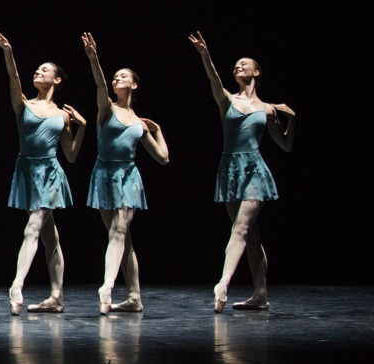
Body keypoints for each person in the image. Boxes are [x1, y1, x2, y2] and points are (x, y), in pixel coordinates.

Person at [189, 31, 294, 312]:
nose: (238, 66)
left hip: (255, 170)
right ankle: (261, 295)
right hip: (230, 169)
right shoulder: (227, 100)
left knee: (241, 227)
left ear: (256, 72)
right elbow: (213, 79)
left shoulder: (268, 109)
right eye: (236, 65)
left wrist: (291, 120)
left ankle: (223, 284)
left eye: (244, 64)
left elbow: (285, 145)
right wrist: (205, 55)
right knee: (250, 234)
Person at [0, 31, 86, 314]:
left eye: (45, 70)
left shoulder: (63, 114)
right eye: (37, 69)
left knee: (34, 226)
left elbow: (71, 155)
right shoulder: (24, 104)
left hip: (51, 173)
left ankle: (17, 285)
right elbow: (13, 78)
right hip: (27, 171)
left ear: (57, 80)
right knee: (50, 237)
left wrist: (83, 127)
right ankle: (57, 297)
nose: (38, 71)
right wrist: (8, 51)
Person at [82, 33, 170, 314]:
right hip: (103, 175)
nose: (116, 78)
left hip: (128, 178)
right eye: (115, 76)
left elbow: (163, 158)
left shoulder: (139, 123)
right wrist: (93, 57)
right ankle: (134, 297)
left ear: (134, 84)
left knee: (119, 232)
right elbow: (99, 83)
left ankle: (107, 286)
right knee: (121, 238)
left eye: (123, 76)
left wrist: (158, 130)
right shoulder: (107, 109)